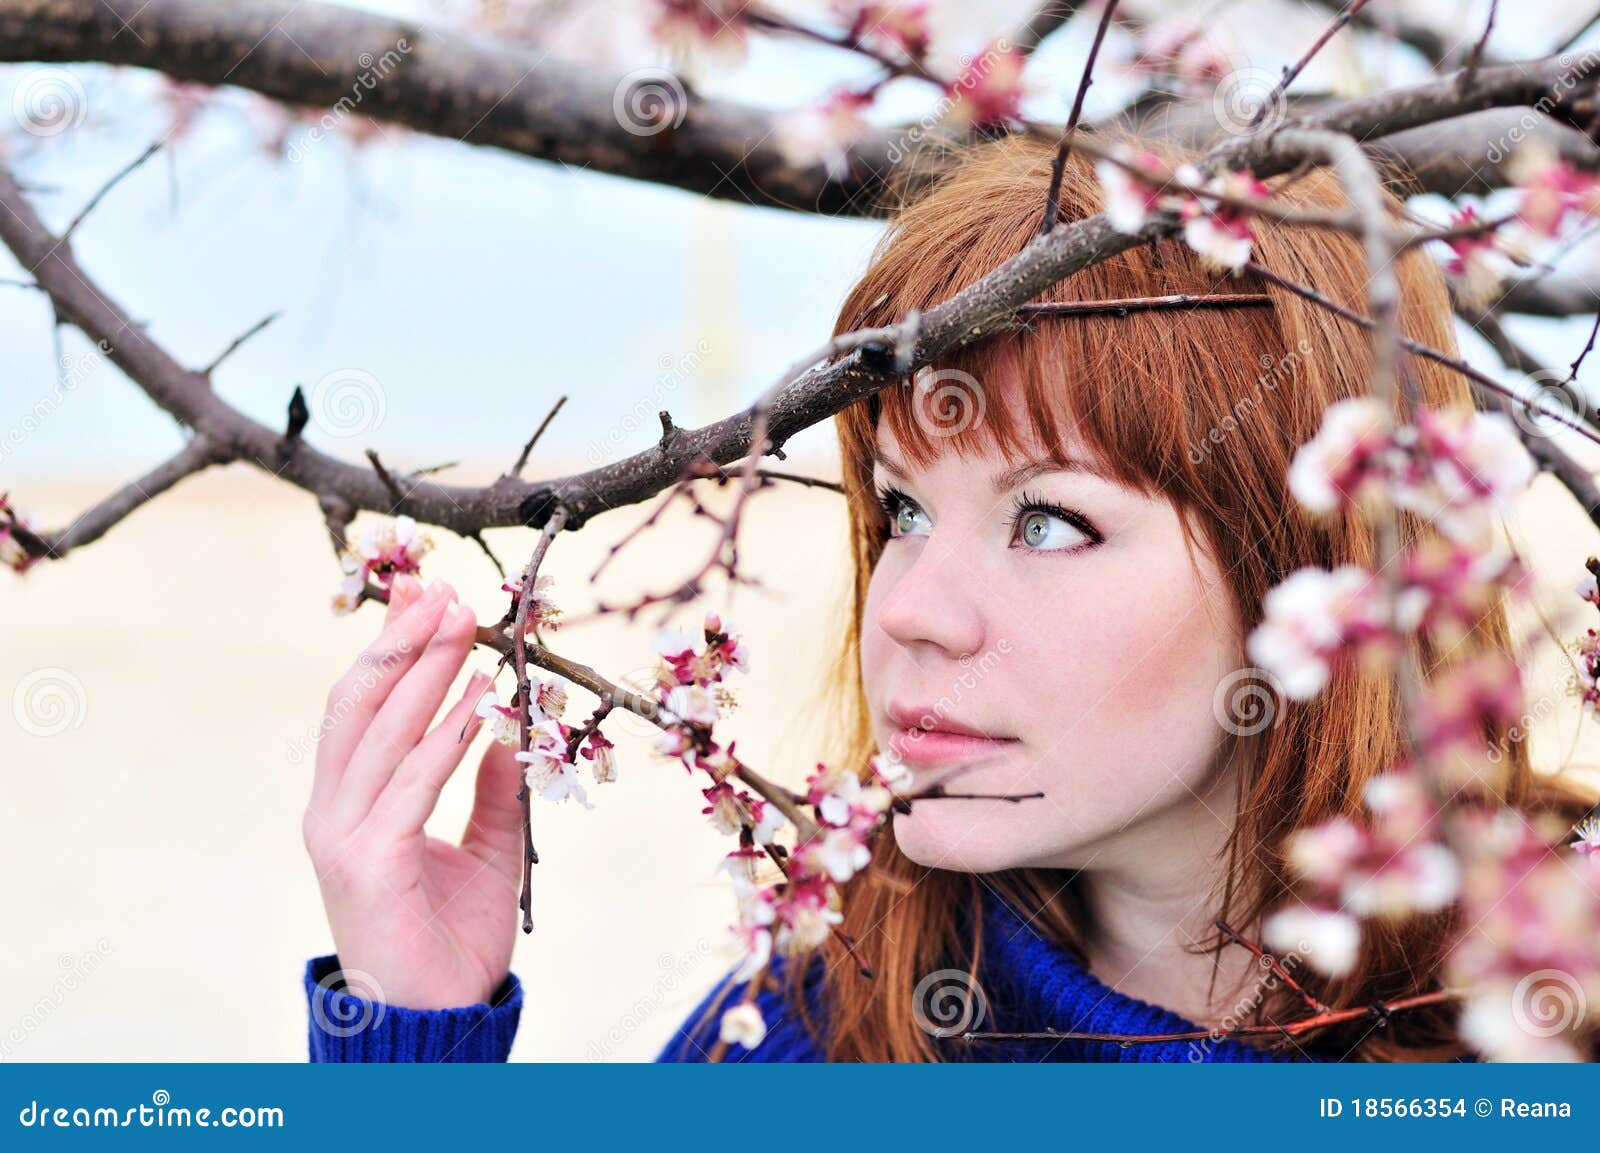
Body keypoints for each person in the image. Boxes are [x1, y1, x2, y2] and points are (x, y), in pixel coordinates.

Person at [300, 135, 1597, 1063]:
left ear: (1317, 575)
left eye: (1050, 522)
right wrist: (413, 1035)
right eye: (905, 510)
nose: (912, 609)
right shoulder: (817, 1040)